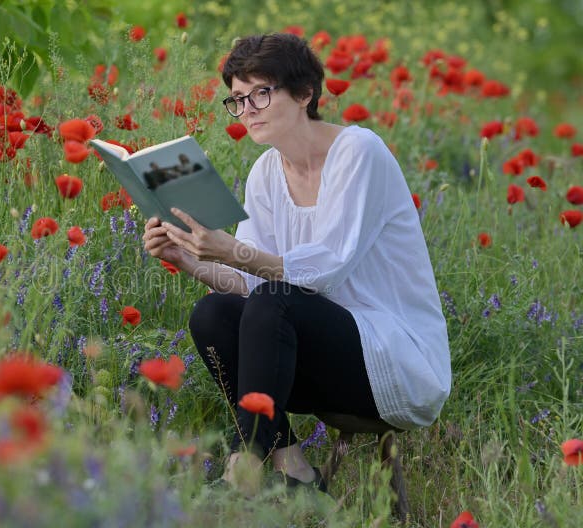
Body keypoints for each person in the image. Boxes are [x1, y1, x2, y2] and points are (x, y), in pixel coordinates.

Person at [142, 33, 451, 491]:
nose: (247, 110)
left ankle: (241, 467)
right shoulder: (266, 172)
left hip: (394, 361)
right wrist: (188, 260)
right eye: (237, 100)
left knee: (276, 300)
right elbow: (249, 283)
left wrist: (230, 249)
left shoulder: (358, 152)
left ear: (305, 94)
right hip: (311, 358)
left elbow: (327, 268)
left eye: (260, 94)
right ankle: (294, 470)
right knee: (213, 312)